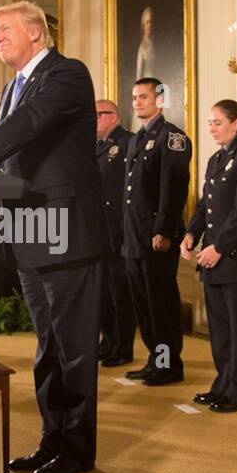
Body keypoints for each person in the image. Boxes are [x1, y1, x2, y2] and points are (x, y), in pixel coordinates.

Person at [0, 0, 107, 473]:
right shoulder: (12, 87)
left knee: (74, 351)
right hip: (30, 233)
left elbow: (29, 123)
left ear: (36, 32)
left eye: (3, 29)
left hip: (68, 232)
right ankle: (52, 440)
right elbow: (12, 157)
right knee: (47, 348)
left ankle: (78, 450)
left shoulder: (66, 74)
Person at [181, 101, 237, 412]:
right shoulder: (216, 159)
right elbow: (205, 205)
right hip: (212, 257)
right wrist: (191, 233)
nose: (211, 128)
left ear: (236, 124)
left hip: (236, 258)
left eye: (218, 122)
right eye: (209, 122)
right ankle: (223, 385)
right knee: (219, 330)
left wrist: (218, 246)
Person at [122, 77, 192, 386]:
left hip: (156, 236)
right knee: (143, 306)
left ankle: (168, 365)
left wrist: (163, 230)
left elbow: (173, 189)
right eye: (134, 97)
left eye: (144, 97)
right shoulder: (138, 138)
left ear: (160, 100)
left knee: (161, 305)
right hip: (135, 236)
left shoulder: (172, 137)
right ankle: (154, 360)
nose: (137, 102)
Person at [94, 99, 135, 366]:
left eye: (100, 114)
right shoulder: (96, 146)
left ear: (114, 116)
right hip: (99, 230)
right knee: (102, 293)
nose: (95, 118)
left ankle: (122, 347)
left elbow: (130, 190)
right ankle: (108, 341)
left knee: (121, 293)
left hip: (119, 229)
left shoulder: (128, 142)